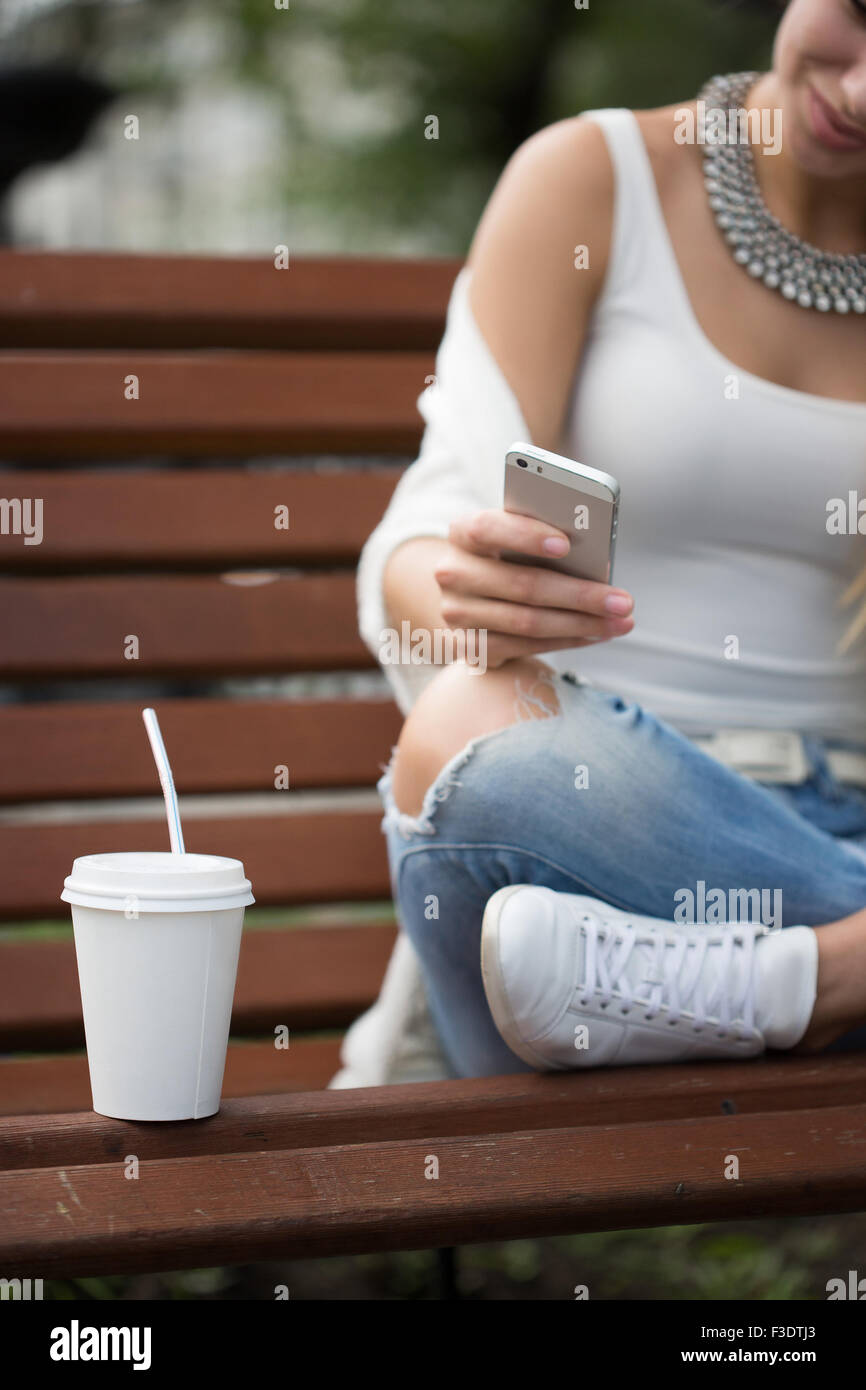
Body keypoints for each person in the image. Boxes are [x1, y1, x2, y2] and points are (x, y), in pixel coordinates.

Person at [350, 0, 866, 1081]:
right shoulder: (591, 179)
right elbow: (422, 538)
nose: (858, 90)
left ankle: (785, 983)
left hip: (841, 852)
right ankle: (809, 979)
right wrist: (459, 595)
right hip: (601, 829)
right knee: (468, 728)